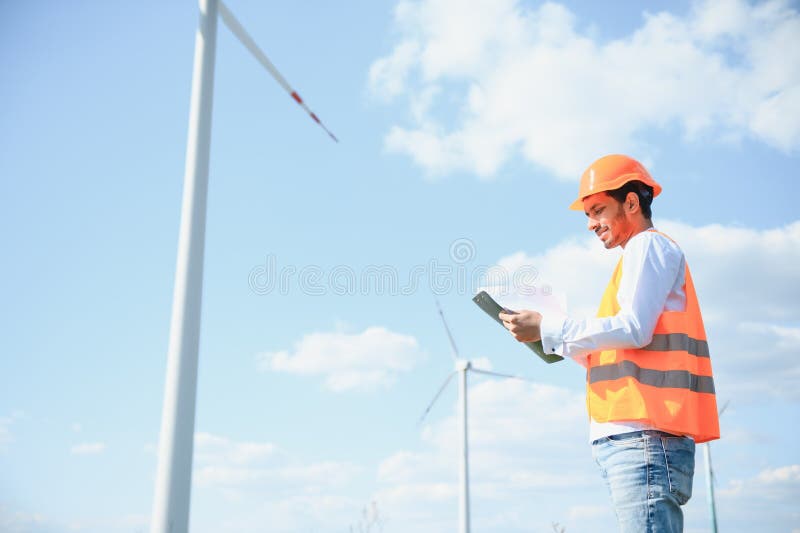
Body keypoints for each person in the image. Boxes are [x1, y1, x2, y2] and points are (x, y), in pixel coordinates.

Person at [499, 154, 720, 533]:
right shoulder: (636, 259)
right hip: (634, 437)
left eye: (598, 210)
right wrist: (547, 336)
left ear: (632, 203)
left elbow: (634, 329)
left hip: (645, 438)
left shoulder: (647, 247)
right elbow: (622, 346)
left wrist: (552, 326)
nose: (590, 224)